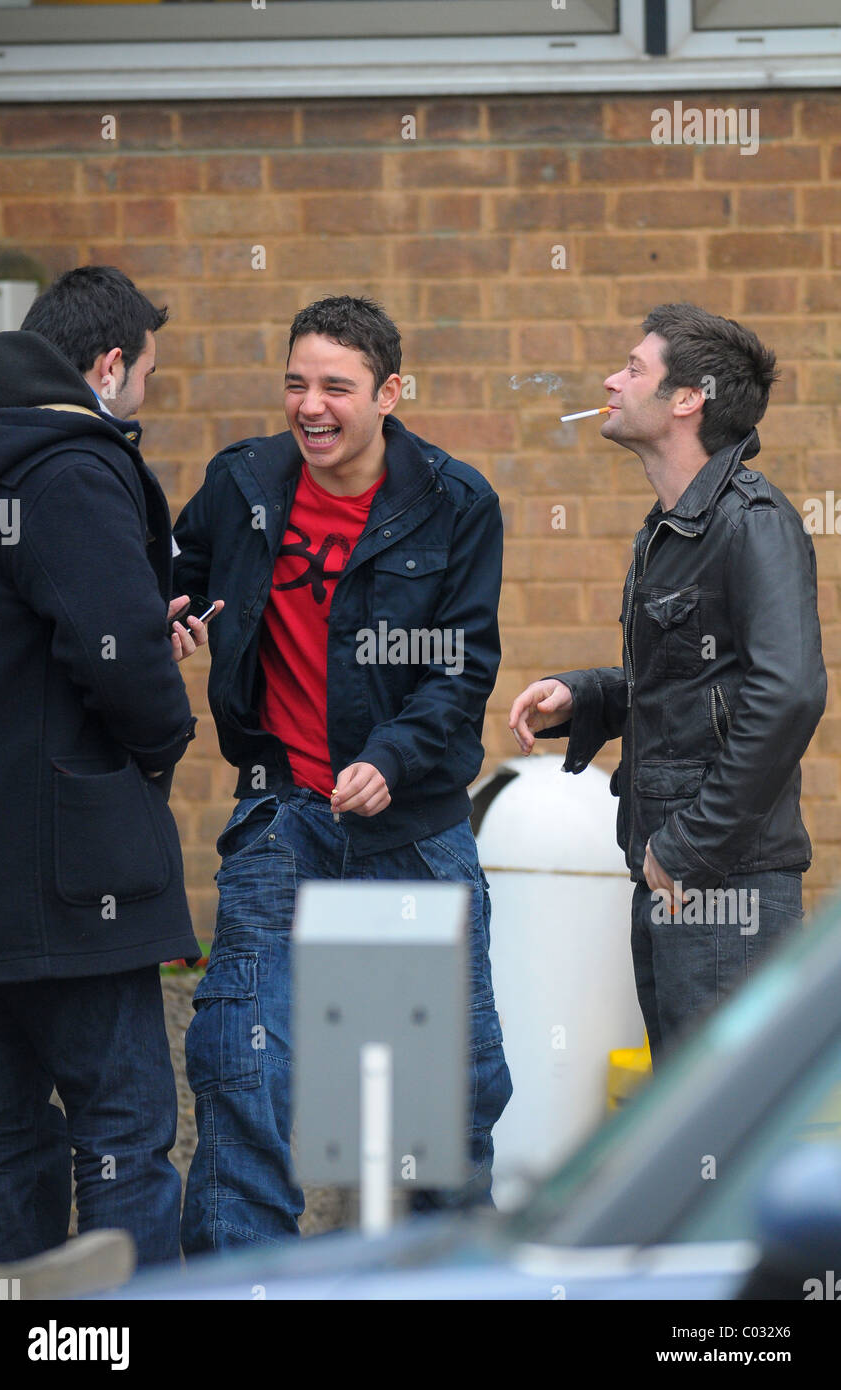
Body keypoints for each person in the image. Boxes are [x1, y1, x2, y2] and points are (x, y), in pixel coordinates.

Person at [174, 293, 512, 1252]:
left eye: (335, 387)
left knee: (442, 1099)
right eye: (295, 383)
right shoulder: (244, 480)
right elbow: (183, 562)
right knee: (246, 1070)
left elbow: (458, 671)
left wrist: (387, 758)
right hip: (283, 815)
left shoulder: (453, 501)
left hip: (409, 828)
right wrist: (172, 612)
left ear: (389, 394)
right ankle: (241, 1284)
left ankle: (447, 1277)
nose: (309, 406)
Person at [509, 303, 826, 1061]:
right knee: (687, 1123)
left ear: (687, 399)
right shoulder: (670, 528)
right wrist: (584, 696)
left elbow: (788, 696)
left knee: (719, 1135)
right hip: (674, 874)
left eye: (633, 368)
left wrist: (688, 847)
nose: (611, 382)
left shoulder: (751, 522)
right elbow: (692, 685)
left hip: (724, 883)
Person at [0, 265, 214, 1269]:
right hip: (77, 889)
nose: (145, 396)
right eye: (148, 374)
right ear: (107, 365)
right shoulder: (67, 466)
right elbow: (113, 656)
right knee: (121, 1136)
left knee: (9, 1143)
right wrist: (162, 733)